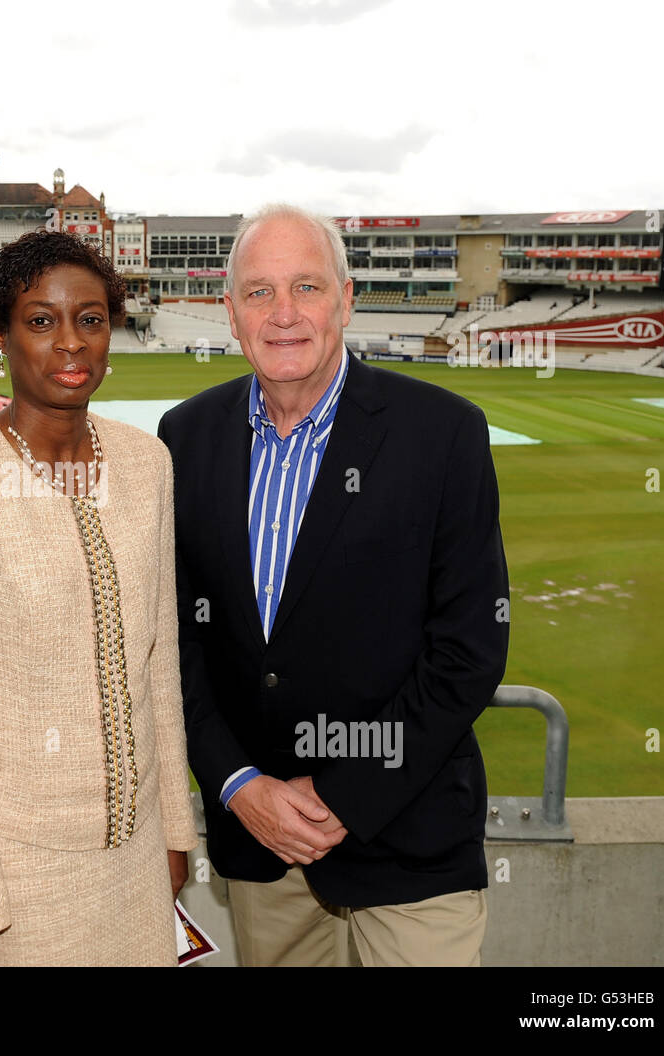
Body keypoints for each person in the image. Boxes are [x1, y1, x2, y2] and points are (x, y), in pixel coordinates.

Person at [158, 204, 508, 967]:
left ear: (346, 300)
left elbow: (470, 649)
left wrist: (344, 796)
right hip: (260, 848)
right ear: (229, 310)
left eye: (307, 287)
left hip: (411, 839)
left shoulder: (444, 433)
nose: (283, 315)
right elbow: (176, 643)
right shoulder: (185, 437)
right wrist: (237, 782)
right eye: (259, 293)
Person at [0, 230, 198, 966]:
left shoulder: (146, 461)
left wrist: (176, 834)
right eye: (41, 320)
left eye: (90, 320)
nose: (70, 343)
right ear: (0, 333)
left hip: (137, 862)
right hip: (18, 880)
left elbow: (159, 661)